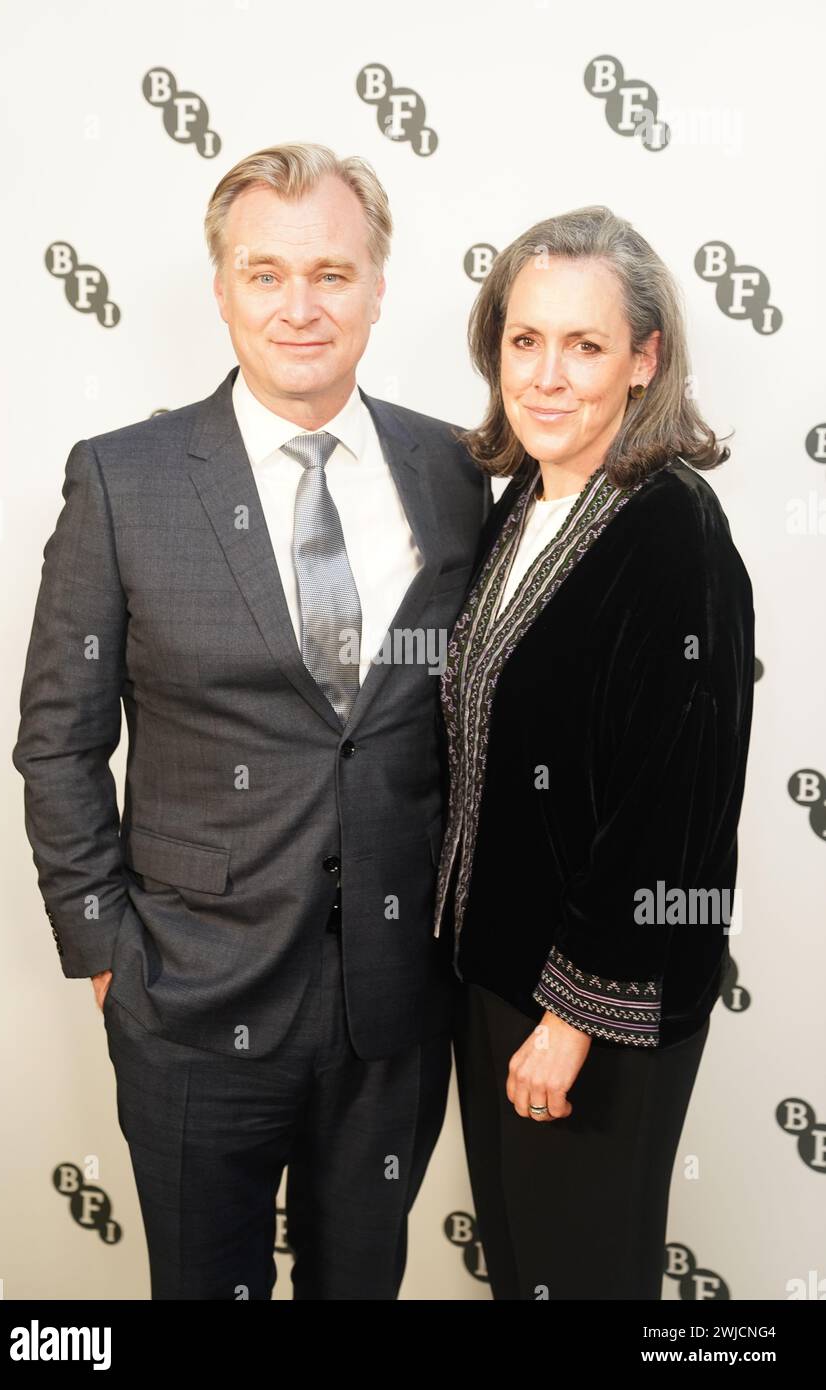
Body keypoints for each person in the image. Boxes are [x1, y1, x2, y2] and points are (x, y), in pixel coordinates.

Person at [12, 142, 490, 1299]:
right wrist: (108, 957)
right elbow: (59, 740)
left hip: (391, 1003)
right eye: (265, 272)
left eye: (331, 272)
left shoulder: (456, 469)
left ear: (380, 287)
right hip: (187, 996)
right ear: (220, 288)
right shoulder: (124, 480)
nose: (300, 305)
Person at [433, 205, 755, 1300]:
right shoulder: (519, 501)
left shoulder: (672, 529)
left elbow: (670, 802)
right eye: (525, 341)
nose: (547, 375)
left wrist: (569, 1019)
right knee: (524, 1275)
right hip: (492, 976)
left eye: (584, 344)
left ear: (643, 359)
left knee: (582, 1280)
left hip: (591, 1003)